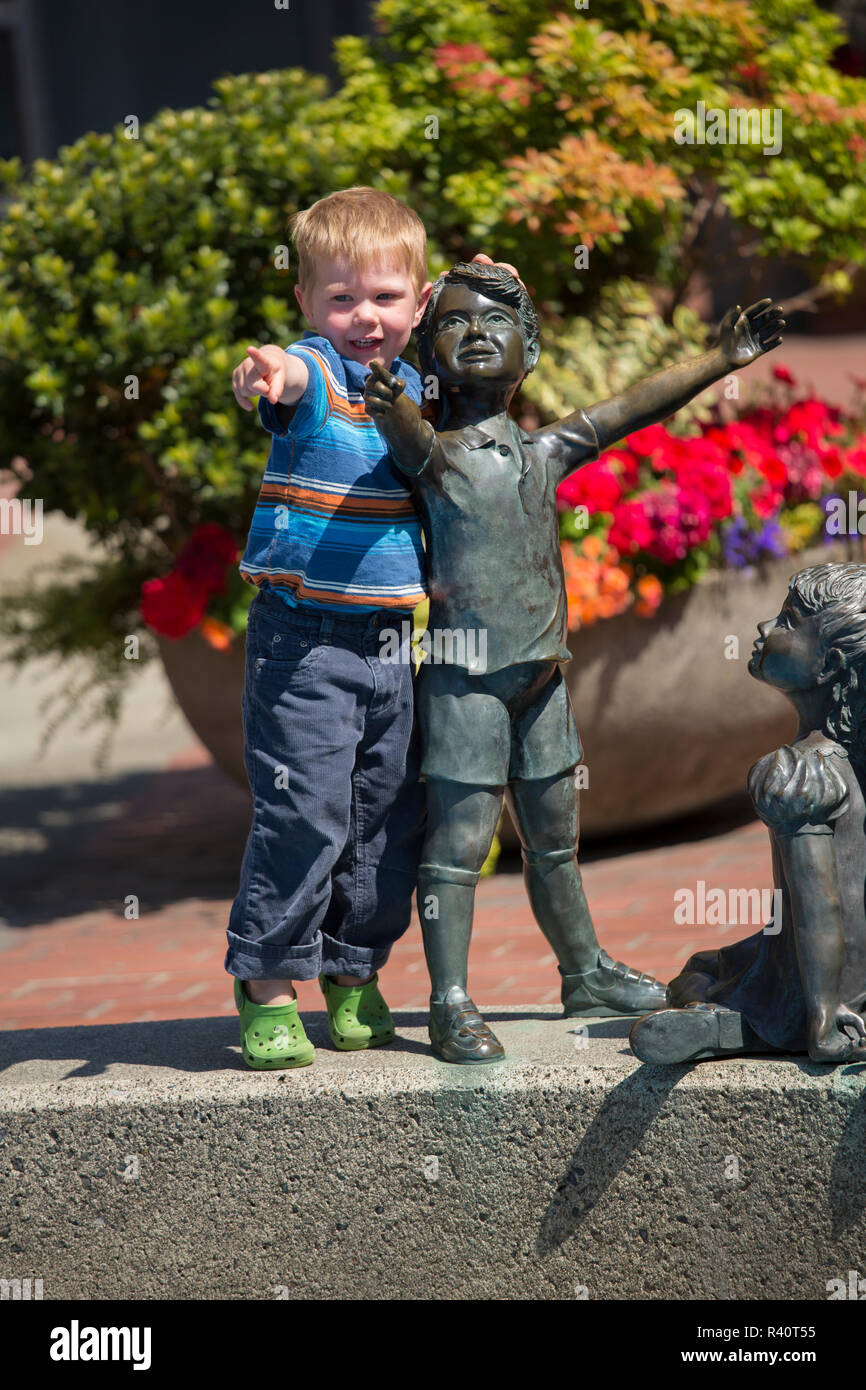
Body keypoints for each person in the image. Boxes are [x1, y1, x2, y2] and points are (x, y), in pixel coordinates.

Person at [363, 260, 785, 1062]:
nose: (477, 333)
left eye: (497, 324)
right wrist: (390, 407)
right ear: (427, 359)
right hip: (468, 688)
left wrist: (720, 362)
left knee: (556, 842)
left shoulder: (542, 451)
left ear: (531, 354)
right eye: (453, 323)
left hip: (542, 682)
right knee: (458, 848)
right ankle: (450, 998)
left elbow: (630, 409)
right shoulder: (437, 458)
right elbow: (405, 431)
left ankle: (583, 968)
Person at [226, 186, 518, 1068]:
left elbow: (492, 350)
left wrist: (496, 284)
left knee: (389, 818)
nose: (363, 317)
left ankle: (354, 972)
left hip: (395, 643)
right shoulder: (315, 372)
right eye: (340, 298)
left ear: (418, 302)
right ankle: (269, 978)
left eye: (385, 297)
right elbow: (282, 379)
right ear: (309, 306)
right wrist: (266, 374)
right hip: (304, 642)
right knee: (305, 812)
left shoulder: (425, 382)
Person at [630, 563, 866, 1065]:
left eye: (786, 621)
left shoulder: (798, 773)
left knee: (699, 977)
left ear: (829, 666)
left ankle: (727, 1027)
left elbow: (818, 904)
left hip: (821, 979)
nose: (764, 629)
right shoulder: (855, 766)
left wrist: (824, 1014)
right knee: (716, 962)